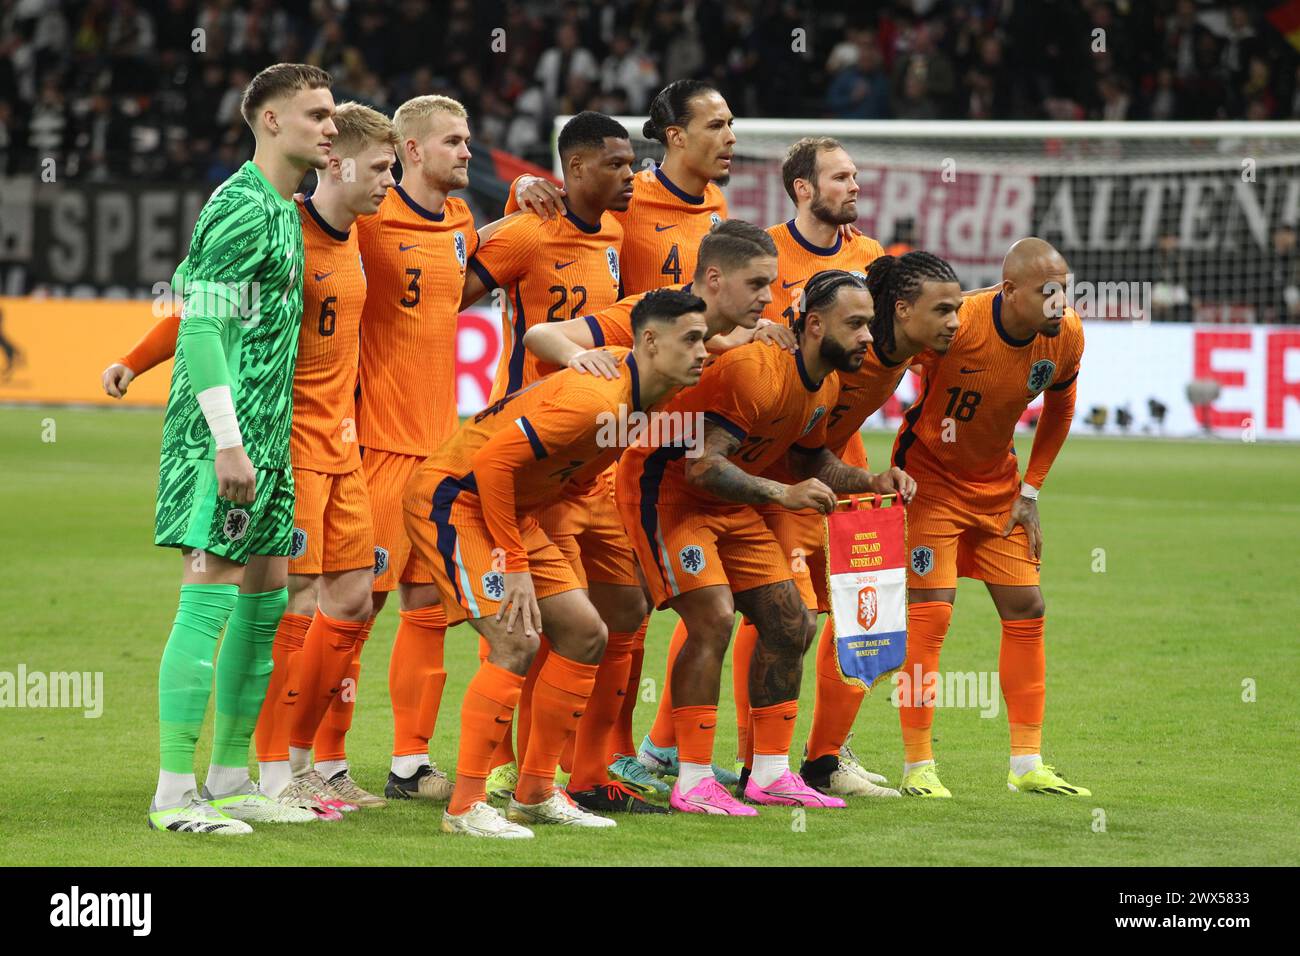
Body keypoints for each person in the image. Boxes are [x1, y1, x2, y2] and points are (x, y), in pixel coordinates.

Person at [401, 289, 711, 837]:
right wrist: (513, 561)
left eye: (704, 338)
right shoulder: (598, 398)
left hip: (513, 508)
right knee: (515, 640)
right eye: (691, 339)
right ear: (649, 341)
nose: (703, 351)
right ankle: (464, 807)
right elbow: (492, 463)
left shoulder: (650, 393)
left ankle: (536, 792)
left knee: (586, 633)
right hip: (457, 498)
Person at [614, 275, 915, 815]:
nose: (868, 336)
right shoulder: (755, 371)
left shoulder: (822, 386)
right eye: (856, 324)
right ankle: (693, 776)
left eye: (869, 323)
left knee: (791, 622)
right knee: (713, 618)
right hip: (667, 493)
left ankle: (771, 774)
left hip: (728, 503)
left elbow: (810, 461)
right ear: (815, 324)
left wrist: (873, 482)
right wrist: (783, 493)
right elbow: (703, 465)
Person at [146, 62, 336, 834]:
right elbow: (201, 327)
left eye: (331, 116)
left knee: (263, 609)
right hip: (220, 443)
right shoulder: (238, 207)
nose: (330, 127)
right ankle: (171, 795)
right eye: (316, 114)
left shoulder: (284, 209)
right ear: (268, 120)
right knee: (210, 600)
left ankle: (228, 778)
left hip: (267, 440)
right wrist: (227, 442)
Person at [892, 237, 1090, 799]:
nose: (1059, 303)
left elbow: (1061, 406)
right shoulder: (961, 323)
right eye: (1046, 292)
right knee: (932, 615)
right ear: (1009, 291)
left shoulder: (1066, 335)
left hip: (998, 487)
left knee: (1028, 605)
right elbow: (889, 361)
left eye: (1064, 291)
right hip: (929, 478)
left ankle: (1027, 763)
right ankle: (918, 767)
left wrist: (1031, 489)